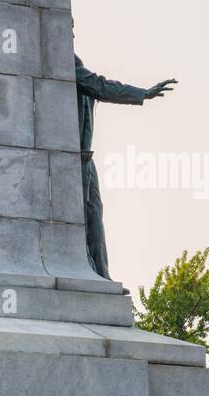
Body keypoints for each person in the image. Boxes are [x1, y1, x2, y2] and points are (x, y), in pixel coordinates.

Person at [74, 53, 176, 278]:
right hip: (72, 158)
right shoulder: (63, 57)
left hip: (84, 157)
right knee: (84, 216)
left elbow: (96, 85)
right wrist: (143, 93)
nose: (70, 32)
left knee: (94, 213)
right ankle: (92, 272)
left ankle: (100, 273)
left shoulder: (69, 59)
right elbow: (99, 86)